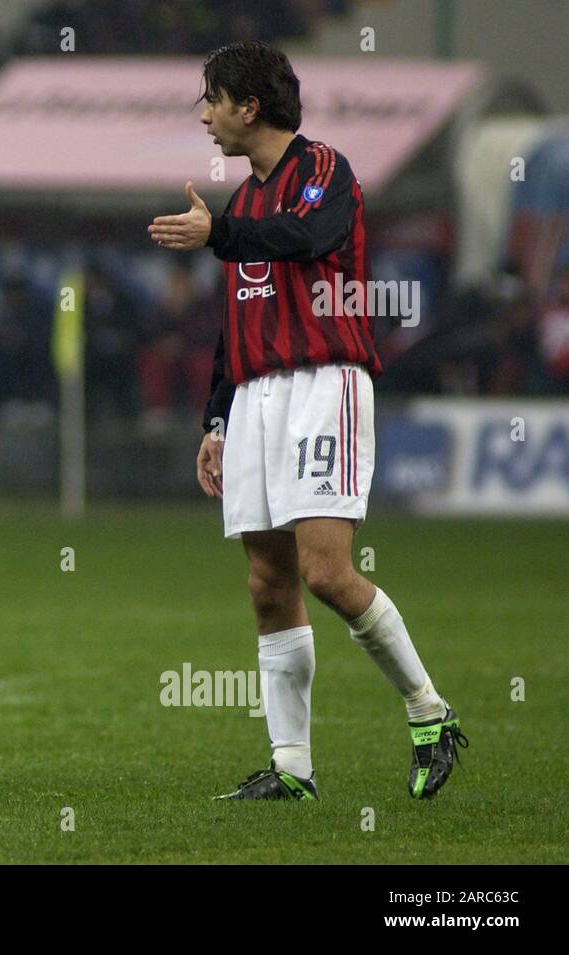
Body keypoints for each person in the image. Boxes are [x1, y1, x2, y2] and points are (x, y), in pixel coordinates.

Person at [148, 41, 466, 801]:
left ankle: (430, 710)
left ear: (249, 106)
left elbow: (310, 240)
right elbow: (236, 319)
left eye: (212, 100)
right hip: (256, 398)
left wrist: (218, 237)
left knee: (325, 571)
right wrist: (217, 420)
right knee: (267, 582)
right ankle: (292, 767)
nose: (204, 116)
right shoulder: (241, 200)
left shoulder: (323, 169)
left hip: (325, 383)